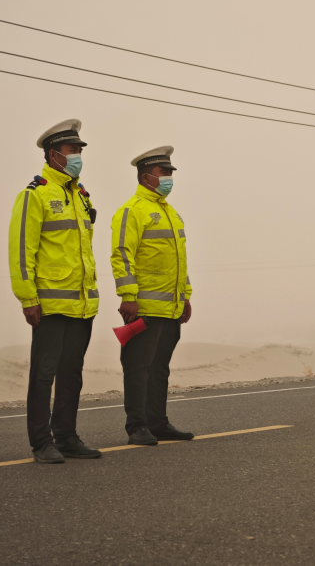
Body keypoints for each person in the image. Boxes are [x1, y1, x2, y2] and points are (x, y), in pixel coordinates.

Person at [8, 119, 102, 463]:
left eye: (79, 150)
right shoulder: (35, 194)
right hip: (48, 304)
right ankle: (41, 442)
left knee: (71, 374)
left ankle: (66, 436)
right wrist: (27, 298)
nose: (78, 155)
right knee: (43, 375)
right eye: (72, 150)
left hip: (82, 305)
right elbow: (22, 251)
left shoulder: (80, 196)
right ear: (53, 155)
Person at [110, 145, 194, 445]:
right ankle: (137, 426)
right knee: (138, 369)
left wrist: (185, 295)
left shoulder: (171, 213)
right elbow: (121, 255)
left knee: (159, 369)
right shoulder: (132, 210)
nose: (170, 177)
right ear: (147, 177)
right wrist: (128, 296)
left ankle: (158, 423)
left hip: (170, 308)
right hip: (143, 306)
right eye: (164, 172)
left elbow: (178, 261)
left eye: (171, 172)